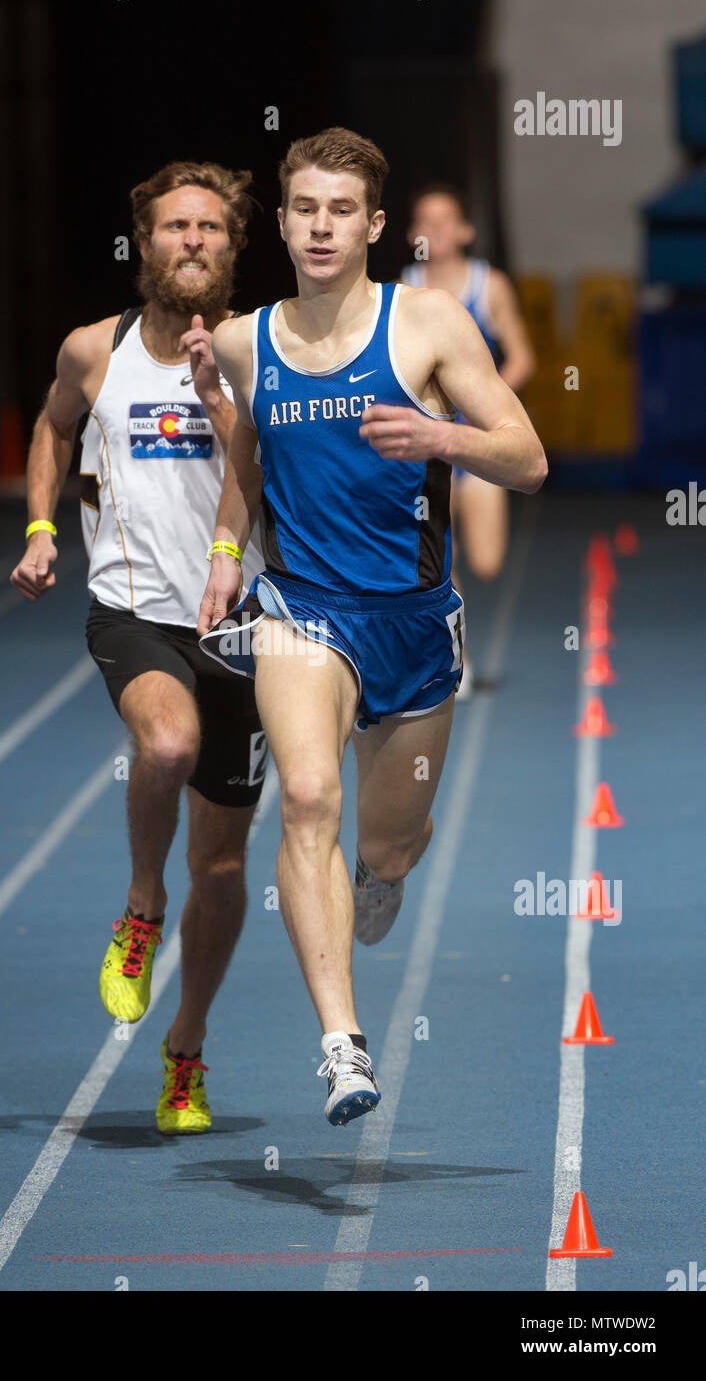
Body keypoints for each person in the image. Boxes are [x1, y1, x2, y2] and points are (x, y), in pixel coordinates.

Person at [196, 128, 546, 1126]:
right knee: (305, 794)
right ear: (282, 219)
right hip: (302, 611)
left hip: (413, 623)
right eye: (303, 207)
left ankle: (381, 870)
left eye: (339, 210)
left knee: (388, 840)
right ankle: (341, 1047)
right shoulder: (240, 342)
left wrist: (439, 435)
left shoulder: (428, 324)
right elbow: (244, 467)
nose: (319, 225)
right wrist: (229, 561)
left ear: (372, 225)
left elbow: (526, 459)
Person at [10, 161, 267, 1134]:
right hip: (133, 611)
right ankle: (138, 901)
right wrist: (40, 528)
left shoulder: (257, 354)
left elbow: (275, 477)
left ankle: (184, 1049)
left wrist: (215, 397)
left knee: (226, 870)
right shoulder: (94, 350)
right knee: (163, 746)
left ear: (233, 247)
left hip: (242, 627)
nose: (191, 239)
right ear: (143, 242)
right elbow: (49, 426)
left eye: (209, 226)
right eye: (173, 226)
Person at [402, 184, 536, 695]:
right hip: (433, 447)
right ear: (412, 232)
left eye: (446, 220)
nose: (435, 230)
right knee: (441, 560)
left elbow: (523, 357)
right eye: (425, 220)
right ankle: (455, 657)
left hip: (478, 445)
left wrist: (486, 405)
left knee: (486, 560)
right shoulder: (403, 289)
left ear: (465, 230)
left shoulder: (490, 285)